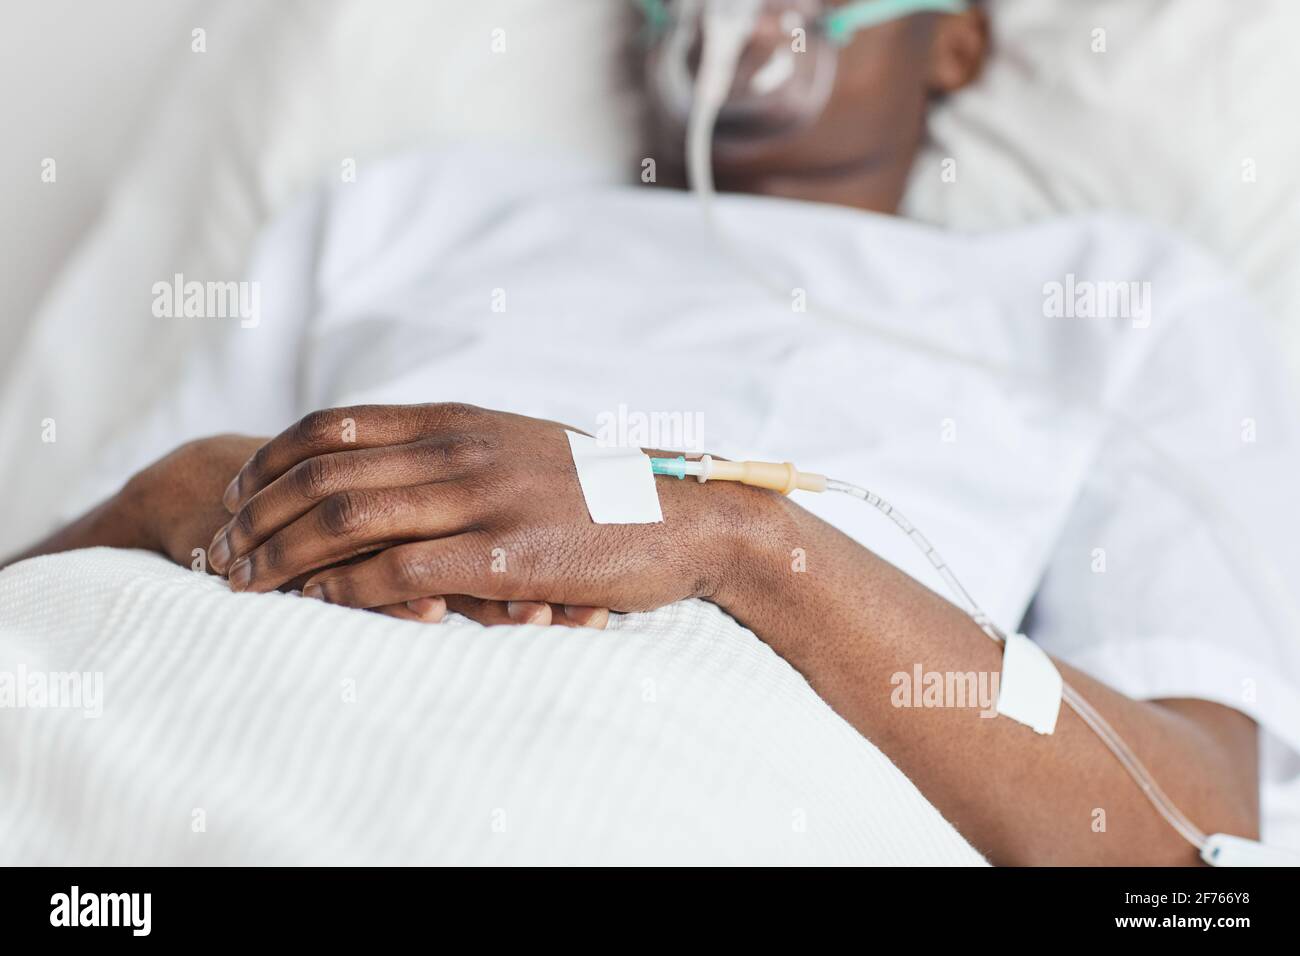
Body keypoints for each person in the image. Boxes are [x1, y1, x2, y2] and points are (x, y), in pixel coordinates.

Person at [7, 1, 1298, 865]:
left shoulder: (1116, 307)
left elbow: (1194, 834)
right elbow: (51, 589)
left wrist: (736, 539)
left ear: (955, 40)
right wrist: (153, 503)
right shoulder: (401, 217)